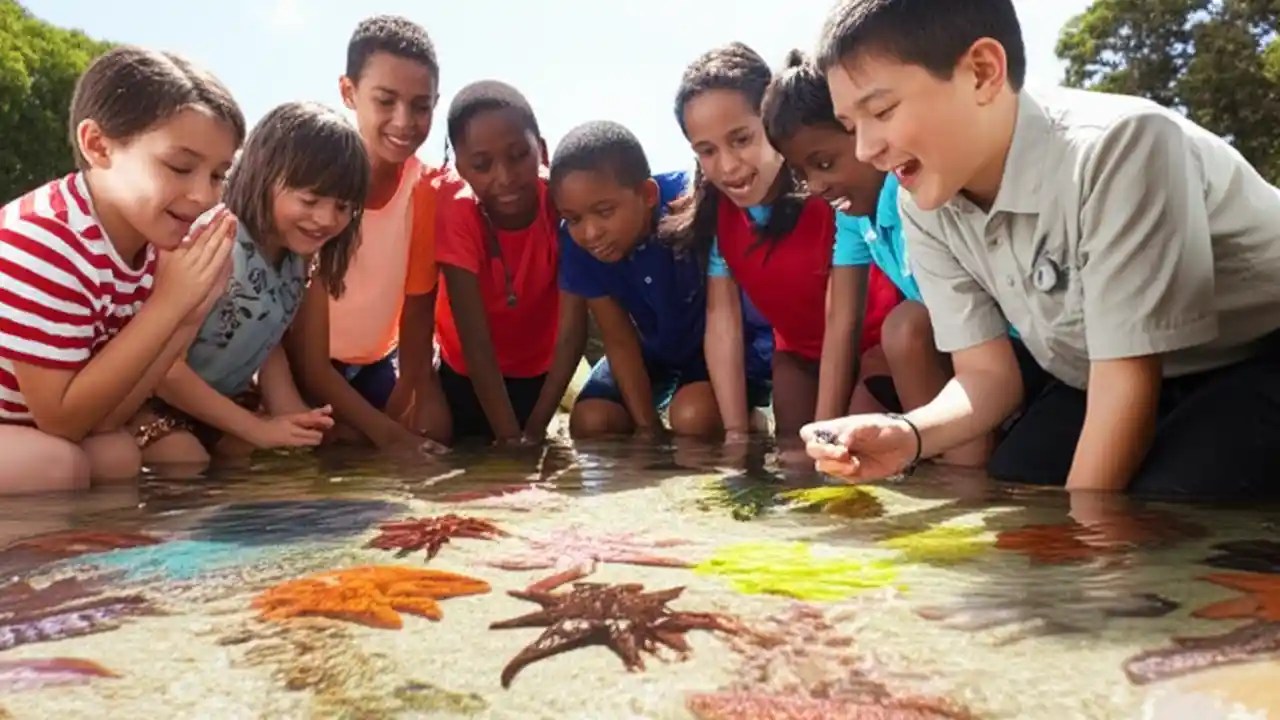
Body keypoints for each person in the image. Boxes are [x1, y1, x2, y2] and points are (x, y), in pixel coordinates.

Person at [803, 0, 1280, 500]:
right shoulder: (923, 203)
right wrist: (909, 435)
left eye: (881, 111)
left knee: (1169, 507)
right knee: (1019, 481)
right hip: (1105, 379)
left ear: (983, 72)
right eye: (853, 125)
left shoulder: (1119, 147)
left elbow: (1129, 381)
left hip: (1255, 355)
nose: (865, 149)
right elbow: (987, 375)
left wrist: (1080, 554)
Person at [0, 46, 244, 494]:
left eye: (217, 175)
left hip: (31, 427)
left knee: (116, 455)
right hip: (41, 432)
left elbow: (105, 416)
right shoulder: (46, 238)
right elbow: (63, 421)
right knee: (57, 466)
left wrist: (188, 315)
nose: (205, 196)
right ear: (98, 146)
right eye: (181, 166)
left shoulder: (145, 246)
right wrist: (168, 305)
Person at [762, 49, 992, 467]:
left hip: (998, 353)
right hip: (953, 355)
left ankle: (963, 471)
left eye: (825, 163)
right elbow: (841, 321)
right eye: (801, 173)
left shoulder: (915, 194)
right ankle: (946, 462)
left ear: (861, 132)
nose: (814, 186)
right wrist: (825, 437)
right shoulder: (854, 217)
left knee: (905, 326)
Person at [665, 42, 902, 444]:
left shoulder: (827, 191)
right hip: (798, 355)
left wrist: (827, 436)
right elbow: (723, 325)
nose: (727, 166)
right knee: (792, 451)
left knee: (854, 443)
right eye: (707, 151)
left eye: (741, 139)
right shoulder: (720, 215)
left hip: (876, 346)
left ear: (771, 123)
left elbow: (840, 320)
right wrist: (736, 435)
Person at [131, 102, 369, 468]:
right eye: (309, 199)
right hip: (148, 403)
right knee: (184, 460)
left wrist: (293, 420)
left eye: (342, 206)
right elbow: (163, 370)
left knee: (298, 459)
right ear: (263, 176)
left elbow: (266, 344)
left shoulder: (294, 262)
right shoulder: (217, 242)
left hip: (217, 411)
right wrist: (258, 431)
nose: (325, 218)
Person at [550, 120, 773, 439]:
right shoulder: (576, 244)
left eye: (604, 211)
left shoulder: (692, 204)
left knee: (693, 416)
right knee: (592, 421)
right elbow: (618, 339)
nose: (590, 232)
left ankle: (755, 423)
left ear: (648, 195)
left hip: (717, 346)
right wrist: (647, 429)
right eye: (573, 218)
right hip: (654, 350)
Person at [286, 15, 447, 453]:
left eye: (421, 106)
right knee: (328, 444)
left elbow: (417, 316)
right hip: (304, 367)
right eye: (386, 101)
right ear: (348, 93)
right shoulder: (320, 191)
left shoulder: (427, 191)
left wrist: (399, 413)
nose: (404, 121)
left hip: (378, 366)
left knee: (432, 432)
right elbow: (309, 361)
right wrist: (389, 436)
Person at [433, 80, 586, 445]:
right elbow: (475, 339)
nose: (504, 177)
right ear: (462, 168)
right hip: (463, 376)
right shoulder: (457, 209)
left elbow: (573, 330)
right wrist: (509, 439)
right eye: (482, 164)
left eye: (518, 155)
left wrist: (533, 431)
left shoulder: (562, 204)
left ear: (543, 150)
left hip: (539, 377)